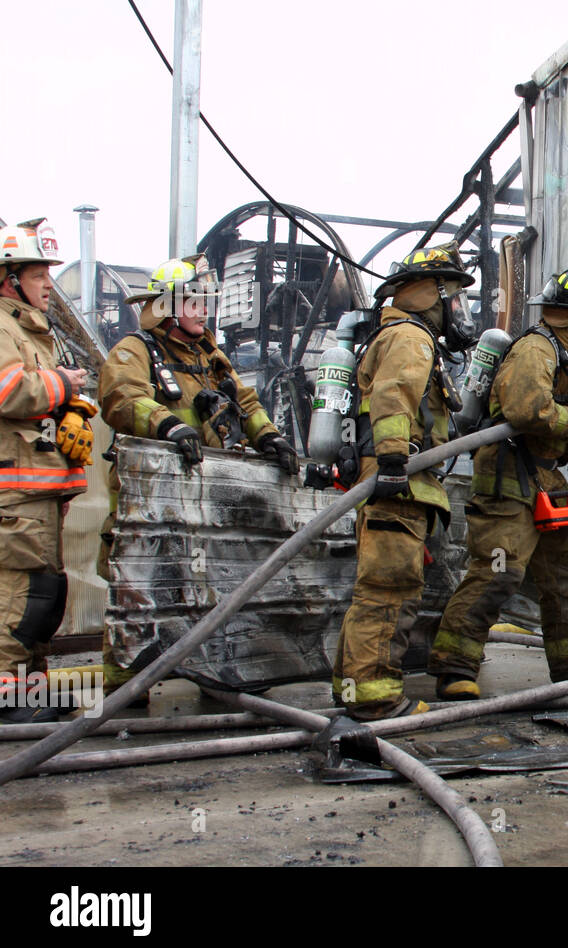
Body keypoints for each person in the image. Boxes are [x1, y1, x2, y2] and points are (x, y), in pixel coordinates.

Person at [98, 254, 298, 694]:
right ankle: (125, 687)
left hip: (204, 496)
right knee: (142, 584)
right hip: (152, 496)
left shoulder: (210, 354)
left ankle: (218, 675)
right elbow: (120, 398)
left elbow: (243, 401)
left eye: (205, 300)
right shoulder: (134, 350)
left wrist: (269, 437)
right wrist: (167, 424)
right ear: (167, 306)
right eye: (192, 301)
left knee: (214, 584)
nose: (202, 309)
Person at [428, 266, 568, 701]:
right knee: (499, 572)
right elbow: (528, 410)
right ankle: (454, 668)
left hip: (550, 480)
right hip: (508, 476)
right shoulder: (536, 350)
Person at [330, 244, 477, 720]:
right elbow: (394, 397)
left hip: (402, 478)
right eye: (454, 297)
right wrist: (395, 460)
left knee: (381, 586)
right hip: (398, 479)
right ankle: (374, 699)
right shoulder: (411, 337)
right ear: (428, 295)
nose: (460, 310)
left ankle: (353, 689)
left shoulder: (401, 334)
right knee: (389, 588)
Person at [0, 218, 93, 722]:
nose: (48, 287)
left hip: (39, 489)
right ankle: (4, 698)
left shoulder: (31, 330)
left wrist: (73, 406)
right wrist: (60, 384)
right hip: (13, 494)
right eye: (39, 277)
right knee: (17, 597)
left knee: (43, 595)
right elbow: (9, 390)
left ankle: (27, 693)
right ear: (9, 279)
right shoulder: (1, 326)